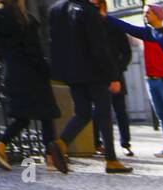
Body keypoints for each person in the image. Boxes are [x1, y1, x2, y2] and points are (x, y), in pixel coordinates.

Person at [47, 0, 131, 173]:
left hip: (72, 72)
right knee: (104, 114)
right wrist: (113, 76)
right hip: (95, 73)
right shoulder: (88, 11)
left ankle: (60, 143)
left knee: (83, 113)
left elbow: (54, 43)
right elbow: (99, 47)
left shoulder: (56, 10)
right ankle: (111, 160)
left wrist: (60, 71)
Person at [0, 0, 61, 172]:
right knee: (46, 113)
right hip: (31, 72)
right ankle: (50, 158)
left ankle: (0, 146)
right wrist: (46, 70)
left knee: (22, 116)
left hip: (12, 71)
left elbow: (0, 50)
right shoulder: (23, 20)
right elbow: (33, 51)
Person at [107, 3, 163, 159]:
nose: (145, 16)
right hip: (151, 81)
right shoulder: (147, 33)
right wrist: (105, 16)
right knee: (162, 116)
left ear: (157, 15)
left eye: (148, 13)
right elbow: (127, 27)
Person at [92, 0, 133, 157]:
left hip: (116, 74)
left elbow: (126, 52)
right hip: (98, 76)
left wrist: (119, 68)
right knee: (99, 111)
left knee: (120, 110)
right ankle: (97, 143)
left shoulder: (115, 25)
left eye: (99, 6)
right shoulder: (90, 26)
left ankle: (125, 144)